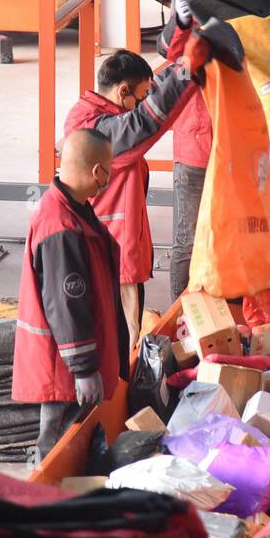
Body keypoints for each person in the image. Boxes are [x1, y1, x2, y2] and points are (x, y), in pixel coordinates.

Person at [60, 24, 220, 344]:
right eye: (140, 96)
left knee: (122, 338)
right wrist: (188, 70)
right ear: (122, 91)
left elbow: (151, 101)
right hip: (111, 266)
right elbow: (146, 124)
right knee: (118, 340)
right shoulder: (99, 134)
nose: (143, 102)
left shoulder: (96, 112)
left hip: (120, 261)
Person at [13, 128, 127, 462]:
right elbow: (66, 304)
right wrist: (84, 369)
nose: (105, 183)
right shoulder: (60, 228)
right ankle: (48, 499)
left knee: (72, 442)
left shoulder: (74, 210)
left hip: (68, 363)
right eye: (107, 173)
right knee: (59, 448)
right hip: (65, 368)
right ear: (97, 171)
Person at [161, 0, 238, 301]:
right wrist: (180, 20)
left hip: (231, 152)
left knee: (229, 232)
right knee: (188, 238)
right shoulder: (186, 28)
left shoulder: (236, 26)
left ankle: (224, 299)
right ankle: (179, 309)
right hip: (195, 154)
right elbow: (167, 50)